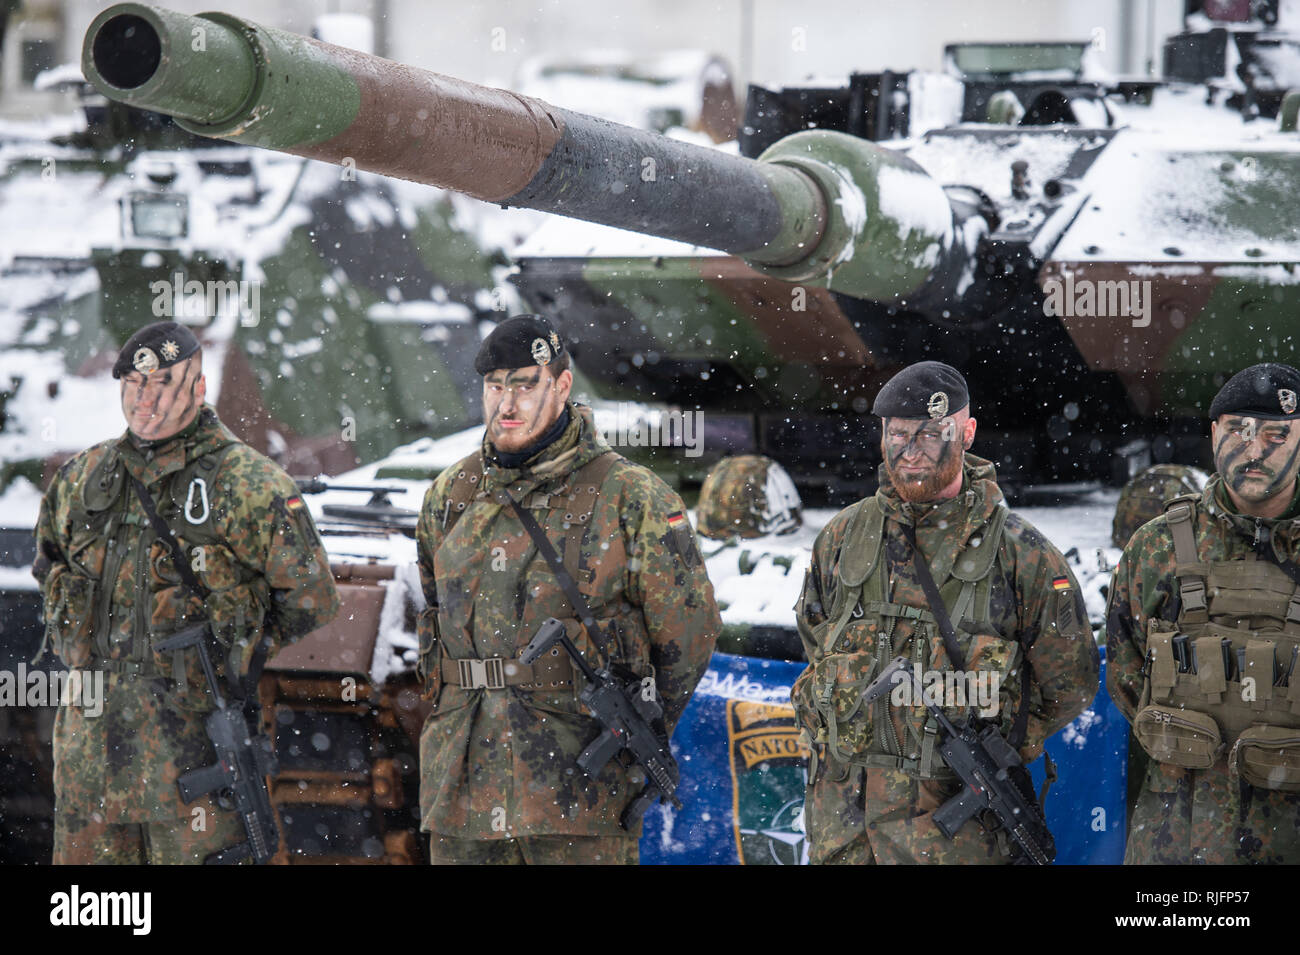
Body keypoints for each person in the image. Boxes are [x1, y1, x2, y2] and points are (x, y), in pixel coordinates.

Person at [415, 314, 720, 865]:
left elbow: (688, 634)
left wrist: (634, 724)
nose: (506, 404)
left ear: (560, 386)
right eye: (494, 386)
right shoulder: (450, 495)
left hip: (580, 787)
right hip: (462, 788)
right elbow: (436, 616)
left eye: (525, 384)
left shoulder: (629, 496)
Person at [33, 321, 339, 863]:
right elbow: (49, 566)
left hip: (196, 748)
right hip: (91, 758)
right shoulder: (82, 479)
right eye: (134, 384)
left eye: (164, 384)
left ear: (198, 388)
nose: (145, 400)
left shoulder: (248, 483)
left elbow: (309, 600)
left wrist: (230, 644)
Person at [791, 361, 1099, 864]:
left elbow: (1070, 683)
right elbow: (816, 642)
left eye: (931, 435)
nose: (910, 452)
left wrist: (988, 748)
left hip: (953, 839)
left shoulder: (1022, 554)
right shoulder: (842, 539)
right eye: (897, 434)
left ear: (967, 432)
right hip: (843, 832)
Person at [1106, 362, 1300, 864]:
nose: (1253, 449)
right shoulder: (1157, 548)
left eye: (1276, 434)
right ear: (1213, 434)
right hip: (1174, 838)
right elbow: (1126, 675)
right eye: (1237, 430)